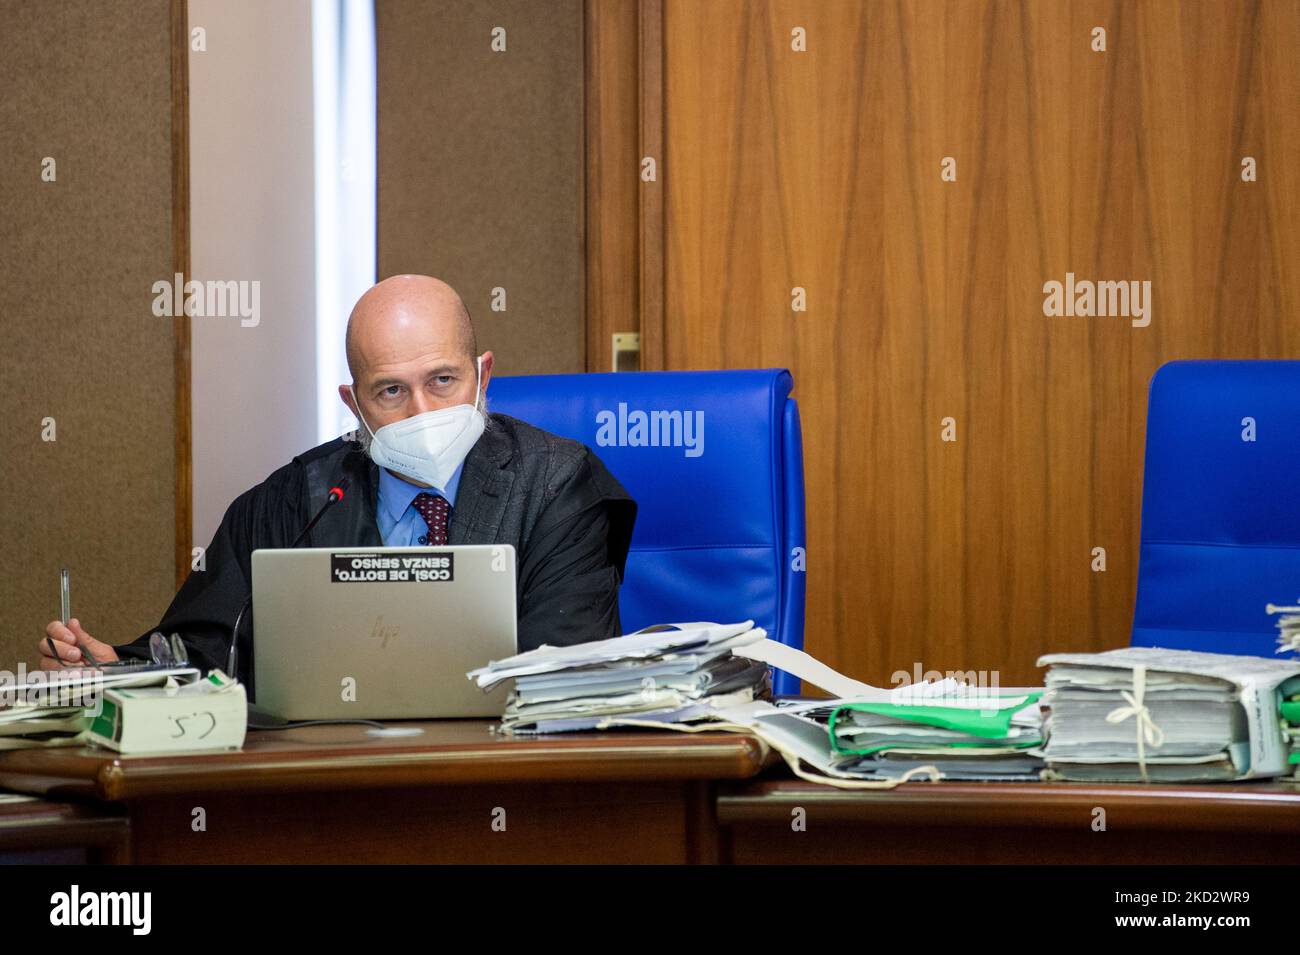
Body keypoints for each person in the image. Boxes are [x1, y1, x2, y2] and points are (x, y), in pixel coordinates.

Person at [38, 275, 636, 696]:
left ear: (483, 376)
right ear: (354, 403)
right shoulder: (293, 502)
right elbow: (208, 654)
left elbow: (566, 676)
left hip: (500, 791)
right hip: (331, 791)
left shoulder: (558, 485)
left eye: (444, 380)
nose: (422, 412)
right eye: (392, 391)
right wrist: (117, 670)